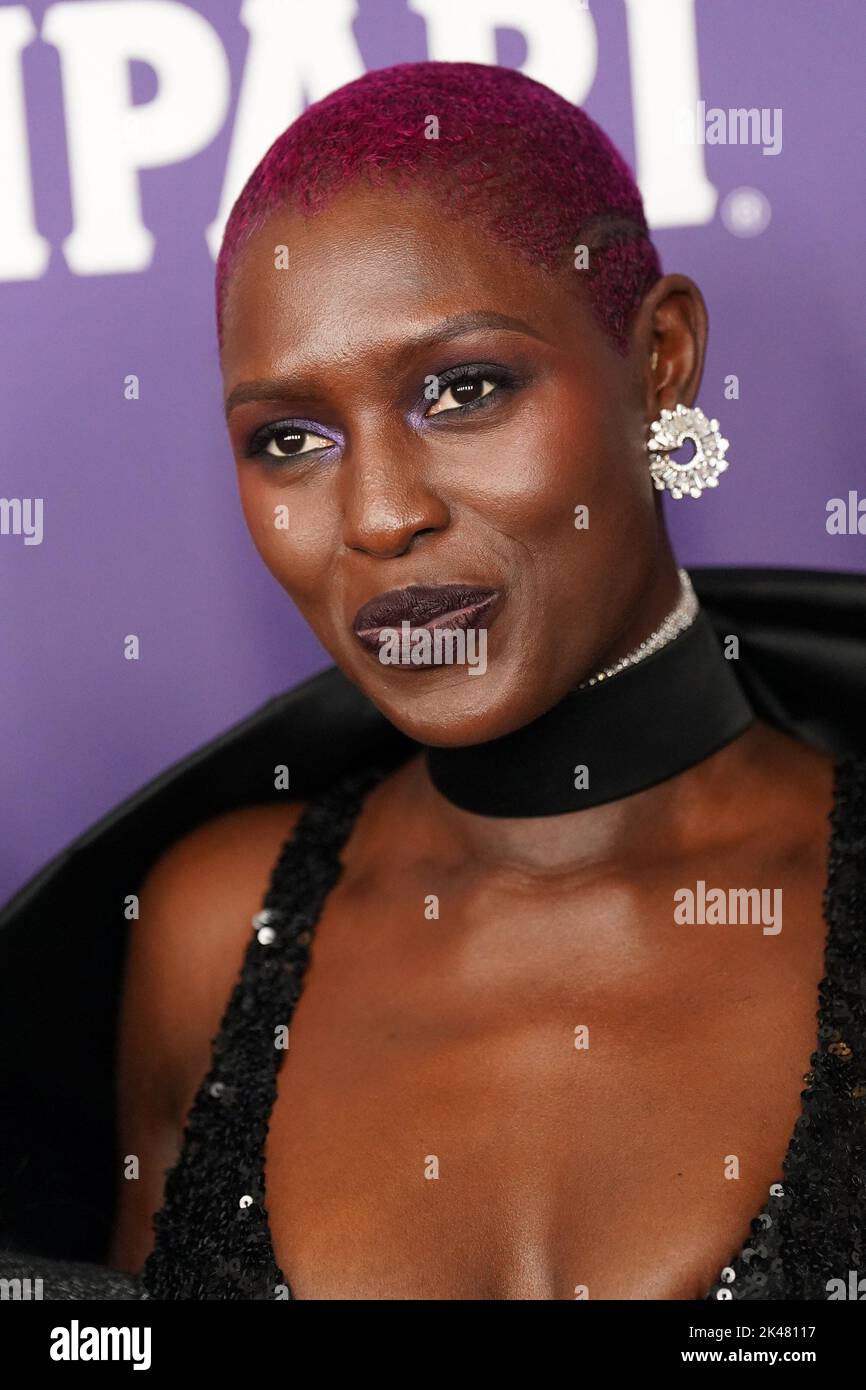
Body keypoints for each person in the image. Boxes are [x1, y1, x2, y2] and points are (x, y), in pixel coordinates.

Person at [1, 62, 864, 1302]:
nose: (379, 516)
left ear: (659, 361)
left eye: (462, 391)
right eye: (290, 438)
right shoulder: (209, 931)